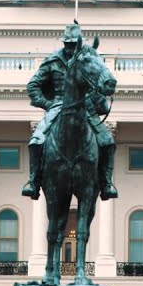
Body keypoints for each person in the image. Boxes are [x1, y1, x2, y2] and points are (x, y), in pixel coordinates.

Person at [22, 22, 117, 201]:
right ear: (65, 44)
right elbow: (33, 86)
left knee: (107, 141)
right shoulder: (53, 61)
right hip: (57, 105)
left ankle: (106, 183)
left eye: (75, 44)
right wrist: (47, 103)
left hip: (86, 106)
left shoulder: (88, 59)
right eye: (69, 44)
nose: (72, 48)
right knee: (36, 140)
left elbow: (97, 84)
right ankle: (34, 182)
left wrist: (96, 99)